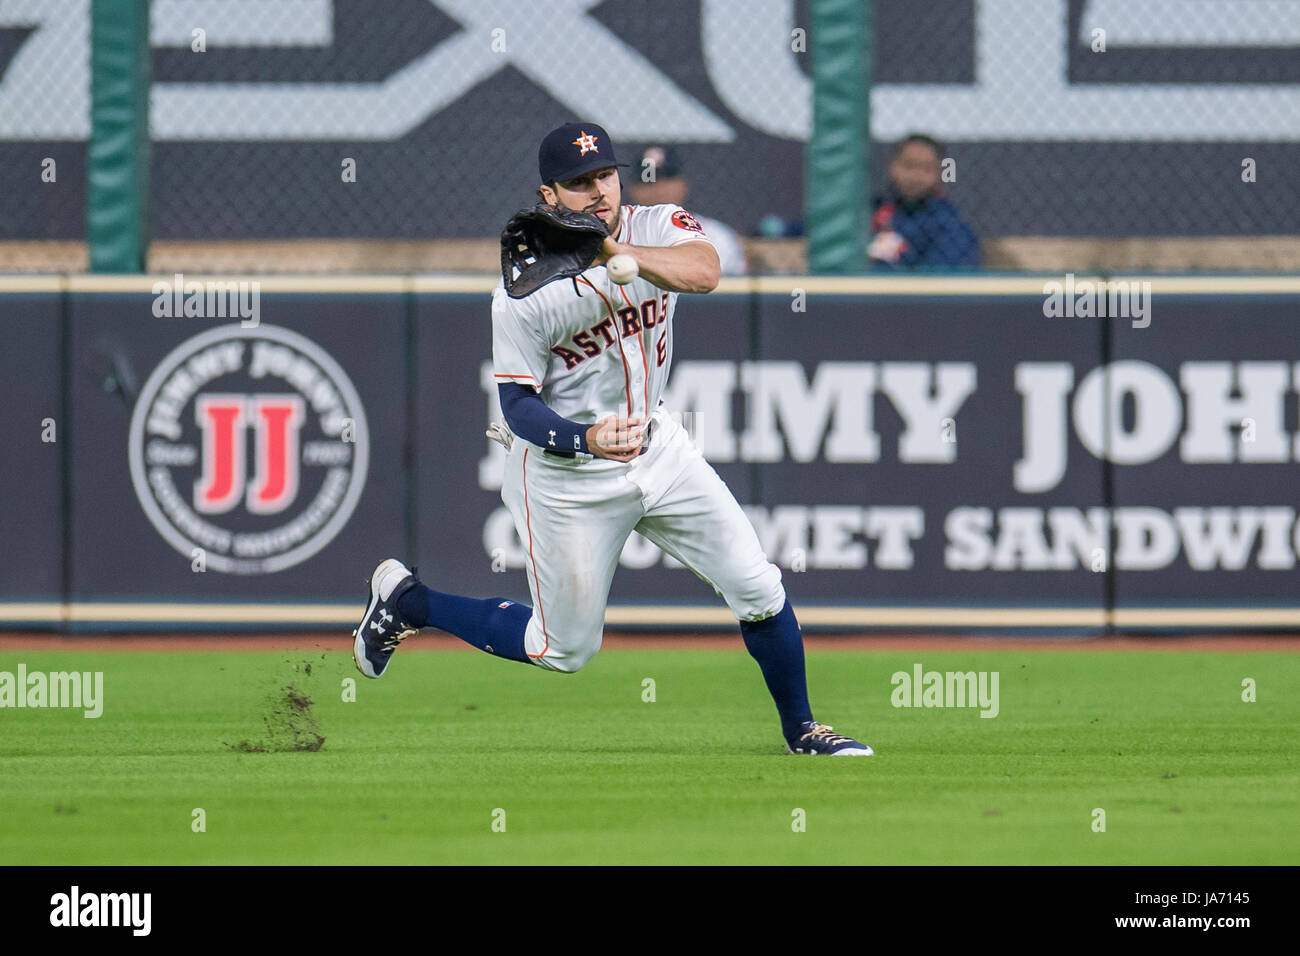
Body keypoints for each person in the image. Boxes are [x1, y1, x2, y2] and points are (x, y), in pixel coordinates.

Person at [351, 121, 872, 757]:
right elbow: (516, 405)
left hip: (658, 445)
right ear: (550, 195)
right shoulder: (524, 293)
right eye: (578, 183)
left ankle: (803, 730)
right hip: (564, 471)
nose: (598, 191)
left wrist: (617, 259)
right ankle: (410, 602)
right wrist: (583, 438)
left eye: (605, 175)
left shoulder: (656, 225)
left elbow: (705, 272)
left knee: (758, 585)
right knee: (564, 649)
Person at [625, 145, 749, 275]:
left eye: (668, 178)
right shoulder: (620, 235)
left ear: (683, 185)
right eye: (649, 180)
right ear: (633, 189)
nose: (660, 188)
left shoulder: (715, 236)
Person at [869, 133, 979, 269]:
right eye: (909, 166)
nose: (916, 176)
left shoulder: (948, 223)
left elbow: (946, 275)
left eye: (927, 169)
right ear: (892, 166)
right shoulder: (869, 211)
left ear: (939, 173)